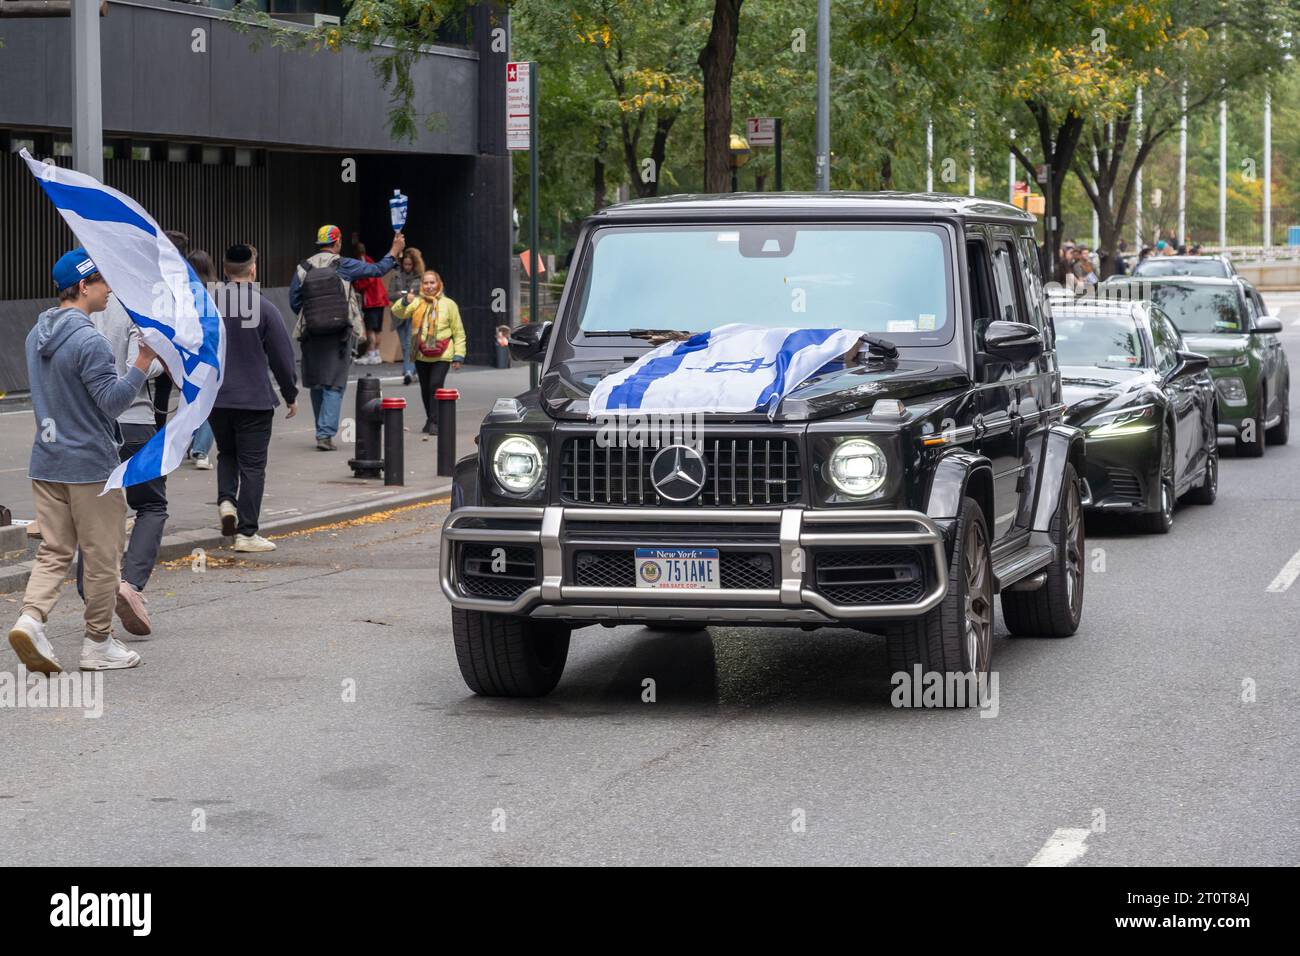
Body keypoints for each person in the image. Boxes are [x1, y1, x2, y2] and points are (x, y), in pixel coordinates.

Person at [7, 248, 157, 673]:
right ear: (83, 286)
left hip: (46, 460)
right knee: (103, 555)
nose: (110, 289)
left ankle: (30, 619)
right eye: (103, 282)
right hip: (91, 465)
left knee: (55, 551)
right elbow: (112, 403)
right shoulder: (89, 339)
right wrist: (141, 364)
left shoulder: (36, 334)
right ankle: (97, 644)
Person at [72, 277, 171, 637]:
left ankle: (94, 599)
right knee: (151, 506)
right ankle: (130, 583)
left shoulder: (76, 311)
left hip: (91, 426)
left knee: (93, 516)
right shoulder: (133, 304)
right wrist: (162, 358)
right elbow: (137, 365)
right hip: (135, 422)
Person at [208, 244, 299, 553]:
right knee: (253, 466)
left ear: (224, 270)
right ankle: (247, 533)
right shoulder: (264, 307)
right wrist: (290, 394)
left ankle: (226, 502)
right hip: (254, 399)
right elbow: (282, 357)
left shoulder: (208, 303)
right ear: (253, 270)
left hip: (216, 398)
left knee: (227, 454)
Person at [289, 224, 403, 451]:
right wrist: (394, 250)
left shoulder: (303, 268)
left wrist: (315, 315)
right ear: (338, 242)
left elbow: (294, 302)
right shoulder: (343, 264)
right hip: (339, 332)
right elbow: (377, 270)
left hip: (311, 333)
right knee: (335, 383)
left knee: (317, 383)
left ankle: (321, 429)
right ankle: (324, 434)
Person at [390, 269, 465, 436]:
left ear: (439, 284)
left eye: (432, 282)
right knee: (425, 388)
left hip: (443, 353)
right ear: (421, 285)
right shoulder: (416, 302)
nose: (429, 286)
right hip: (421, 353)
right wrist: (404, 301)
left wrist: (458, 355)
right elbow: (397, 312)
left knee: (435, 385)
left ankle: (435, 422)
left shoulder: (449, 304)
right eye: (426, 283)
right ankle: (430, 418)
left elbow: (458, 331)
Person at [185, 249, 217, 470]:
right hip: (213, 354)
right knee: (210, 403)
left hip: (190, 355)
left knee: (194, 402)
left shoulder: (184, 293)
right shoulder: (220, 293)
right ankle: (201, 450)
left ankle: (191, 444)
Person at [386, 246, 425, 385]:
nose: (407, 266)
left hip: (414, 314)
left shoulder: (421, 278)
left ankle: (408, 371)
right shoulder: (396, 275)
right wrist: (403, 294)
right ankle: (412, 370)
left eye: (410, 264)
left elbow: (422, 295)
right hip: (399, 314)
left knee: (410, 343)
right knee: (404, 345)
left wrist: (411, 297)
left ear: (415, 264)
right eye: (405, 263)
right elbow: (389, 295)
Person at [351, 241, 390, 367]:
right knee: (378, 329)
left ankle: (371, 353)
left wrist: (356, 285)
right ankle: (376, 354)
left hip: (372, 300)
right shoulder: (370, 260)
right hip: (380, 299)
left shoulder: (362, 262)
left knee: (370, 329)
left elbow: (367, 280)